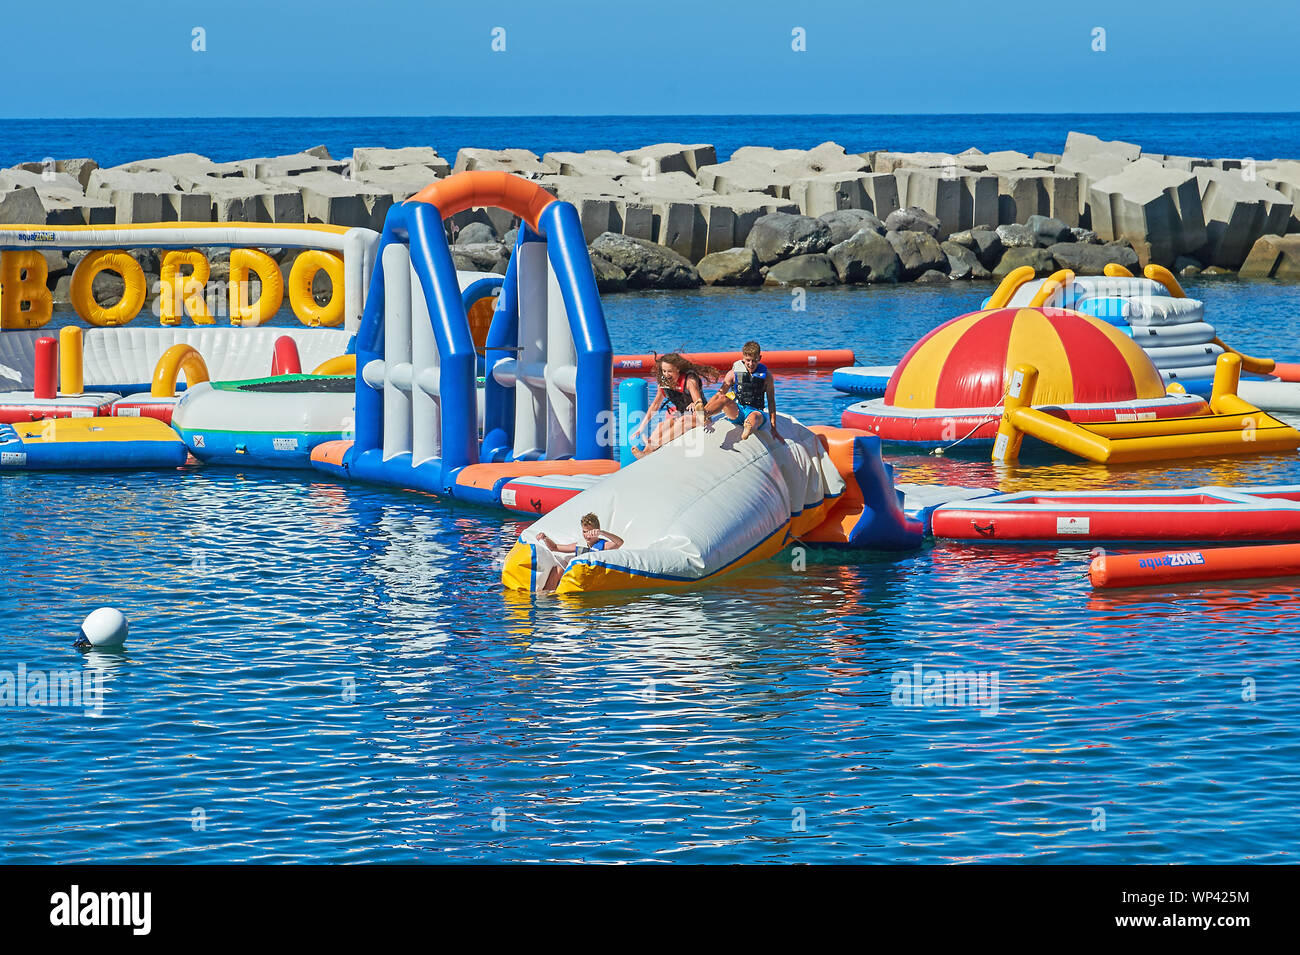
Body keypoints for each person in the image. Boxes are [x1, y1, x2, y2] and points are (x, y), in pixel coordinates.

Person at [629, 353, 718, 458]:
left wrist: (696, 405)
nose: (666, 375)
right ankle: (645, 452)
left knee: (682, 420)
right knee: (662, 425)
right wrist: (641, 427)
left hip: (700, 416)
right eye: (664, 371)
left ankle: (655, 444)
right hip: (683, 415)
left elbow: (698, 402)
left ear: (678, 369)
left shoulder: (689, 381)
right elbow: (655, 405)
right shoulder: (663, 383)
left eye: (669, 371)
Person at [707, 340, 782, 442]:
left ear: (760, 358)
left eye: (754, 360)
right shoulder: (733, 374)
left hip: (755, 411)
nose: (751, 364)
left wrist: (773, 427)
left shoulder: (767, 377)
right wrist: (706, 408)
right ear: (743, 358)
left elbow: (771, 401)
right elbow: (718, 394)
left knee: (754, 416)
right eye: (748, 360)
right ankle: (705, 414)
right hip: (737, 410)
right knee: (723, 398)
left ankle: (748, 428)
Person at [536, 513, 624, 591]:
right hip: (577, 579)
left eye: (590, 531)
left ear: (596, 530)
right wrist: (545, 538)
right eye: (584, 532)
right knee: (558, 569)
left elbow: (620, 542)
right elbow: (554, 547)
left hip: (593, 581)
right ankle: (546, 598)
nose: (587, 535)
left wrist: (602, 533)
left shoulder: (604, 546)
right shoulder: (579, 545)